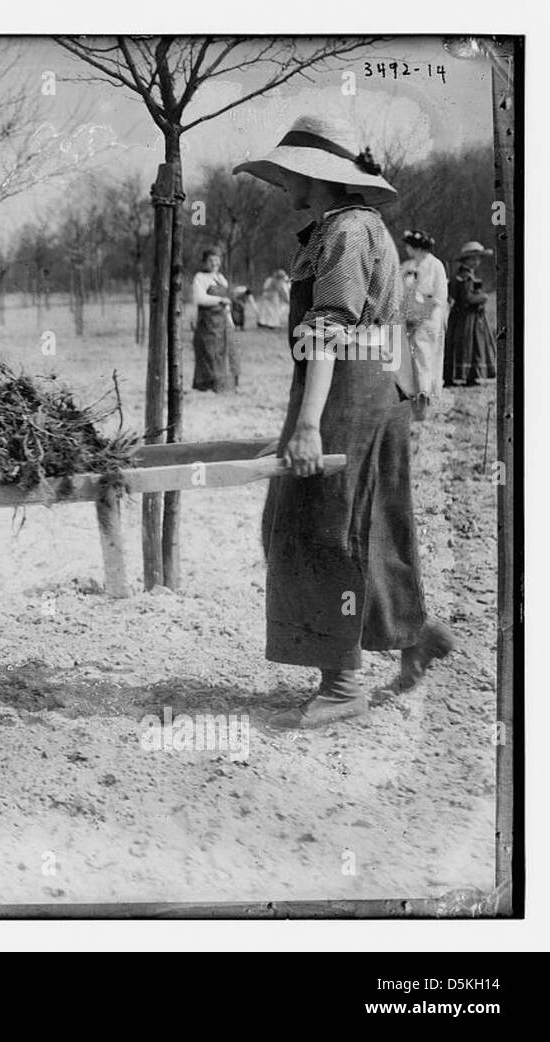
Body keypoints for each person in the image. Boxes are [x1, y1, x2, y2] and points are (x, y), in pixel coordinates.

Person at [233, 115, 453, 728]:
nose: (282, 185)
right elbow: (392, 318)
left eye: (288, 175)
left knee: (318, 522)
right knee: (373, 522)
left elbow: (328, 333)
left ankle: (344, 680)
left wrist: (307, 426)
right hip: (377, 389)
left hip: (347, 397)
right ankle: (412, 632)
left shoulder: (346, 235)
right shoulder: (361, 228)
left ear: (315, 178)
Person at [398, 230, 448, 415]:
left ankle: (426, 396)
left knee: (426, 355)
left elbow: (440, 296)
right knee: (409, 356)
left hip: (429, 316)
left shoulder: (436, 265)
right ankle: (412, 395)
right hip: (408, 315)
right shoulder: (407, 266)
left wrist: (421, 312)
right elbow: (399, 290)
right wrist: (408, 312)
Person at [443, 240, 497, 387]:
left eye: (478, 258)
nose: (477, 261)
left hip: (465, 316)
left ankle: (468, 375)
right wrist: (483, 298)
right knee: (468, 345)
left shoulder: (464, 276)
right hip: (467, 318)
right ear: (467, 260)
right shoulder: (465, 277)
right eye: (474, 258)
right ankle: (466, 376)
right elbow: (467, 298)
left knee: (469, 345)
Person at [191, 247, 236, 391]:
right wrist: (219, 300)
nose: (214, 263)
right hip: (208, 322)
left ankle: (222, 384)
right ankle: (207, 384)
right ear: (204, 262)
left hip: (222, 321)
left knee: (225, 352)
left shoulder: (221, 278)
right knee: (209, 352)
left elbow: (227, 301)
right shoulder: (200, 277)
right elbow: (199, 298)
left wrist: (230, 319)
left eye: (217, 260)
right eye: (211, 260)